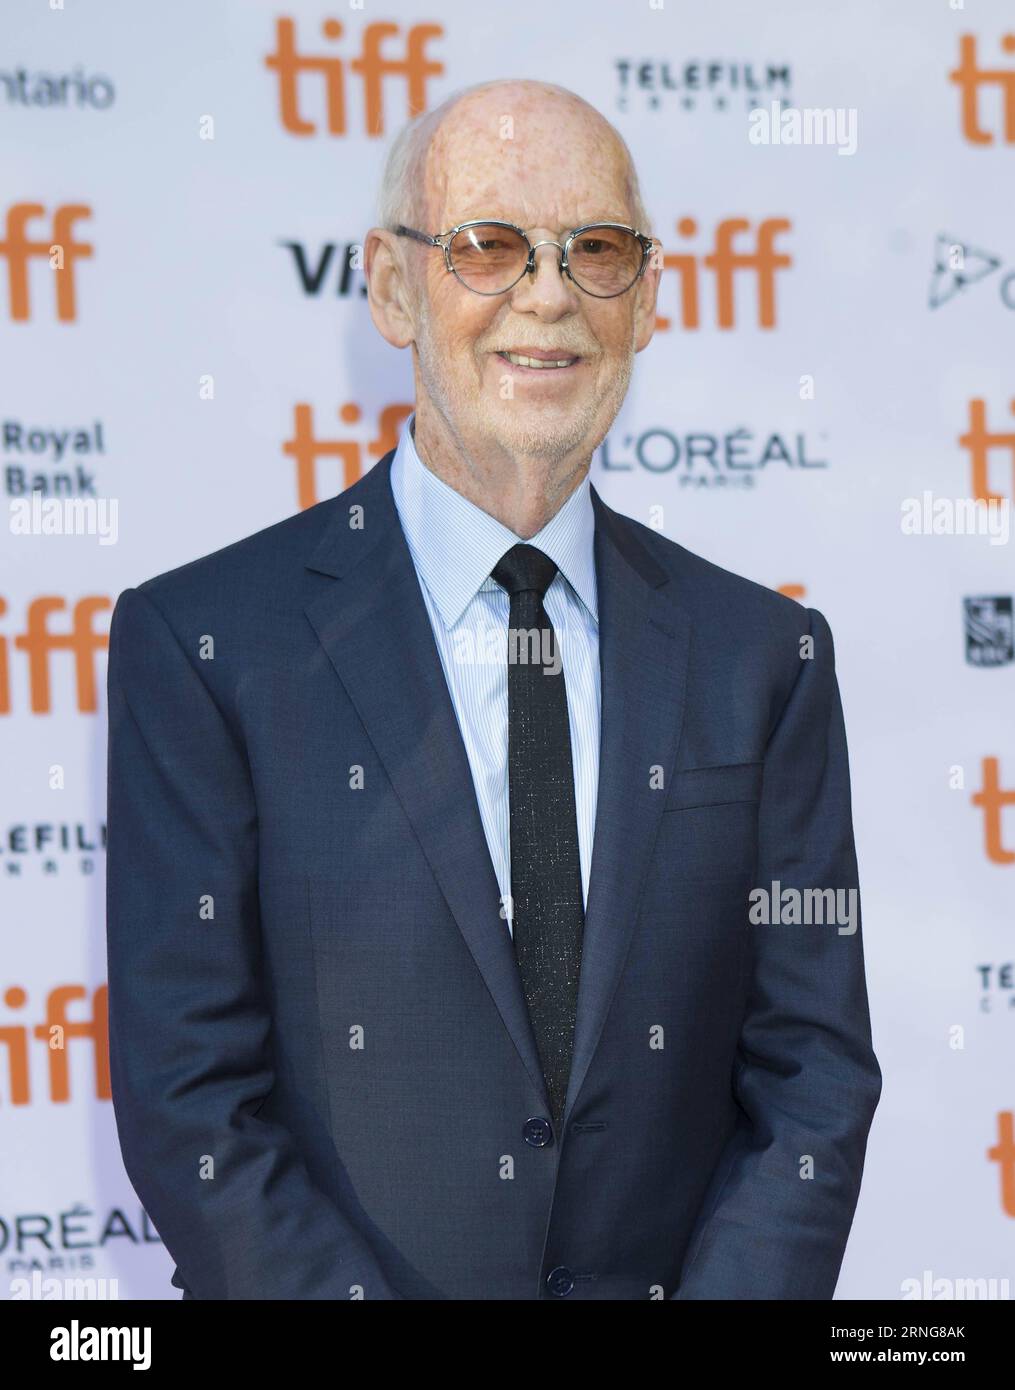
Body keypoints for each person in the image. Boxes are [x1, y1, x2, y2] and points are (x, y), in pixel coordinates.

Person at [105, 78, 881, 1300]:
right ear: (391, 286)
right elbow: (188, 1095)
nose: (549, 293)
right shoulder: (205, 646)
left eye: (598, 250)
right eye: (489, 246)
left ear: (650, 299)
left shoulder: (761, 659)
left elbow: (813, 1076)